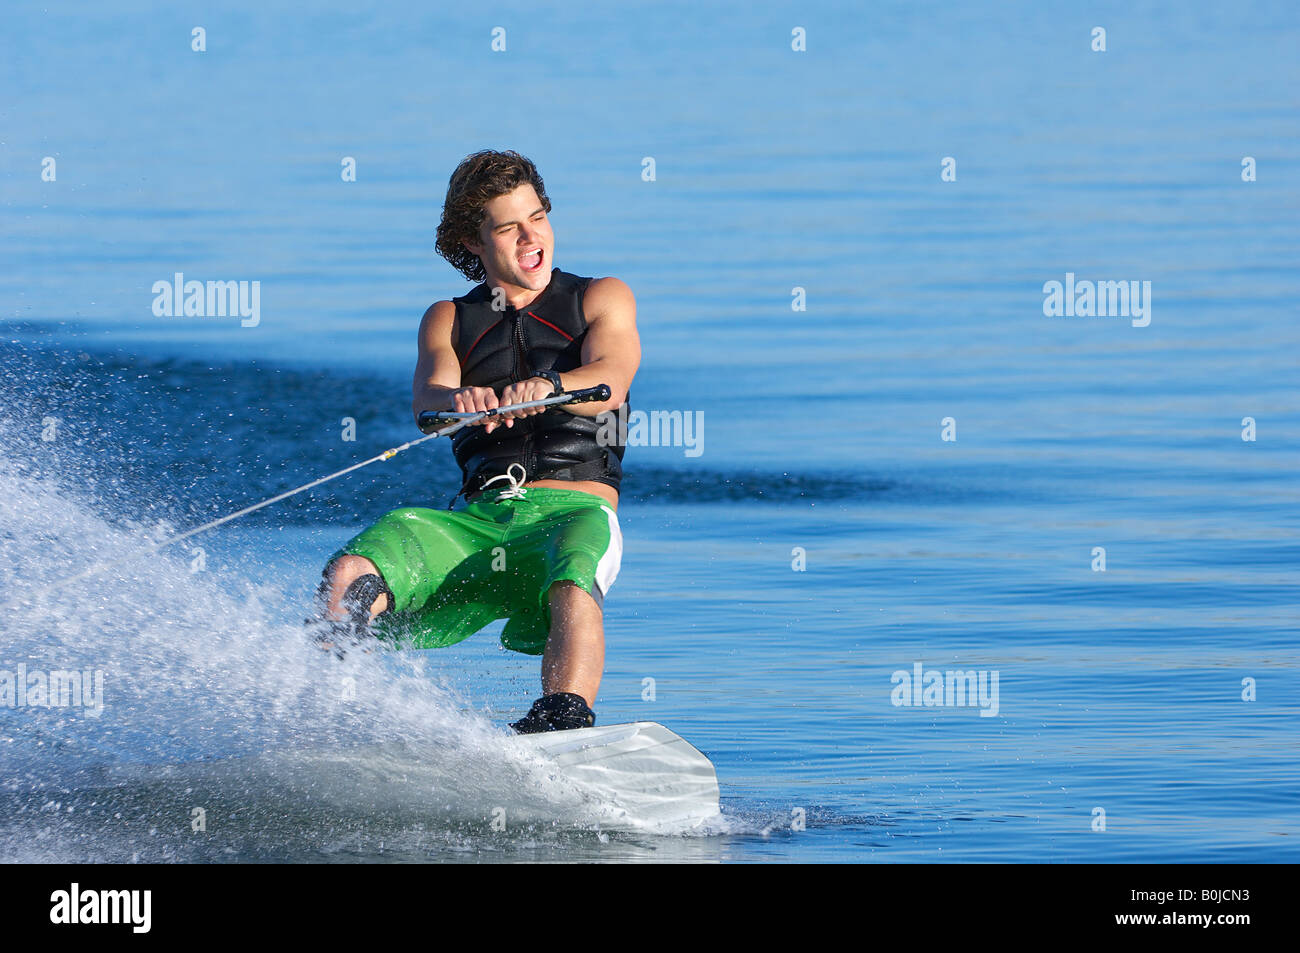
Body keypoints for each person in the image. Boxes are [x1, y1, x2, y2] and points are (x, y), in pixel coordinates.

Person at [312, 150, 640, 733]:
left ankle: (562, 724)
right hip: (477, 522)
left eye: (538, 216)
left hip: (574, 511)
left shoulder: (600, 297)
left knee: (573, 575)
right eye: (509, 227)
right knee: (352, 567)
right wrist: (458, 402)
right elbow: (428, 400)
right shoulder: (448, 318)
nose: (531, 236)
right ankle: (324, 708)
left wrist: (547, 386)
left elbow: (612, 379)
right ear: (472, 241)